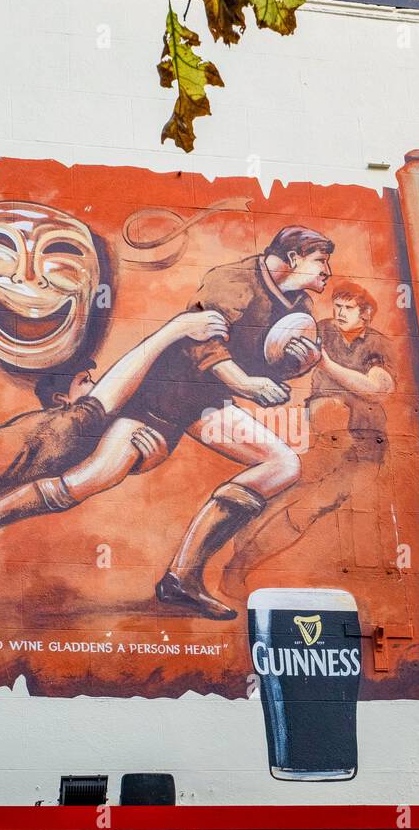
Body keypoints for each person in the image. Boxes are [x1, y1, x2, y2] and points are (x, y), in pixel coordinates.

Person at [120, 226, 334, 621]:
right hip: (166, 391)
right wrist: (245, 384)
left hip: (206, 401)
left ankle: (181, 577)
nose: (328, 272)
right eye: (321, 261)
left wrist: (295, 365)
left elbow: (265, 364)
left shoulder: (298, 304)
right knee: (84, 480)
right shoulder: (233, 280)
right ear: (292, 259)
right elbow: (203, 341)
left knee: (282, 464)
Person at [0, 308, 229, 581]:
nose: (97, 384)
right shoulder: (61, 423)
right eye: (86, 380)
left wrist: (144, 458)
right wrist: (176, 329)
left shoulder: (72, 443)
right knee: (90, 415)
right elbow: (107, 397)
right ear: (61, 399)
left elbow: (92, 470)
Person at [222, 281, 396, 594]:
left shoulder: (376, 344)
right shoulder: (322, 330)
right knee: (275, 492)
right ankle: (235, 560)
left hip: (364, 446)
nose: (341, 313)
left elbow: (378, 389)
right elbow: (281, 352)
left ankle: (240, 566)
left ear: (366, 313)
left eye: (349, 308)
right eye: (338, 305)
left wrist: (325, 363)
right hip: (322, 436)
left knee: (310, 507)